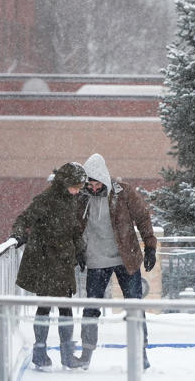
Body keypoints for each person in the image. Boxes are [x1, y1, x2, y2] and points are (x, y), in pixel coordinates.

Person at [75, 153, 157, 370]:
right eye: (90, 185)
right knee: (91, 308)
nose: (93, 188)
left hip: (126, 257)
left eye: (97, 184)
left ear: (104, 178)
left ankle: (141, 353)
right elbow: (74, 227)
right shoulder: (81, 198)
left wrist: (150, 247)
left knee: (134, 306)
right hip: (96, 259)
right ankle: (86, 354)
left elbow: (143, 217)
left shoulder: (123, 192)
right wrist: (78, 251)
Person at [10, 162, 87, 370]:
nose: (77, 191)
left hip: (64, 262)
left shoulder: (70, 201)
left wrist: (80, 250)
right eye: (75, 187)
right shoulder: (45, 200)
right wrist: (17, 235)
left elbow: (74, 229)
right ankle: (41, 353)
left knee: (65, 308)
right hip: (45, 261)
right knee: (45, 307)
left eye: (79, 188)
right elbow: (24, 219)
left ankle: (66, 354)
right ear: (65, 183)